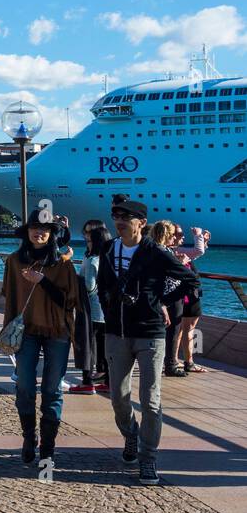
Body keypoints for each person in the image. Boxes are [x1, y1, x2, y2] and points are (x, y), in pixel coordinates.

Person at [96, 196, 199, 486]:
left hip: (151, 333)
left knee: (151, 400)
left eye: (125, 218)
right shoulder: (107, 249)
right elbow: (103, 284)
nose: (119, 222)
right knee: (118, 396)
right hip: (116, 332)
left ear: (140, 222)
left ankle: (148, 456)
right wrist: (107, 305)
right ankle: (130, 435)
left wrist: (161, 302)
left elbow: (190, 281)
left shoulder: (156, 252)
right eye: (116, 217)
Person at [1, 212, 81, 466]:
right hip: (27, 331)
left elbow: (71, 300)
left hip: (57, 330)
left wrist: (43, 281)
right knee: (24, 385)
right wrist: (7, 329)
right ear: (27, 231)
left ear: (52, 233)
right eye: (35, 227)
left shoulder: (62, 263)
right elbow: (10, 298)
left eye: (45, 229)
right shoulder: (14, 262)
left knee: (52, 389)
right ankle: (28, 437)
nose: (40, 232)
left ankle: (48, 446)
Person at [69, 220, 111, 393]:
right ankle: (108, 381)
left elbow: (89, 286)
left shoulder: (93, 259)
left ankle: (87, 382)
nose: (87, 241)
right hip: (104, 311)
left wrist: (74, 280)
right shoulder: (107, 258)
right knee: (104, 347)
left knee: (87, 345)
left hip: (90, 310)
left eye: (89, 240)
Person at [171, 226, 209, 376]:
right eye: (179, 235)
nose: (182, 237)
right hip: (189, 295)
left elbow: (193, 256)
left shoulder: (168, 251)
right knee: (189, 328)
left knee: (180, 330)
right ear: (171, 236)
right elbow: (197, 251)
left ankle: (173, 359)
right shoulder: (174, 251)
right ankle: (189, 363)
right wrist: (198, 235)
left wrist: (203, 241)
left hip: (181, 295)